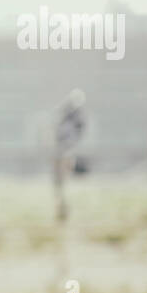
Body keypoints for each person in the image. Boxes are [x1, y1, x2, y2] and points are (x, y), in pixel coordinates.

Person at [53, 88, 86, 222]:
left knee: (63, 183)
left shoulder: (75, 120)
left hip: (66, 152)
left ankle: (65, 210)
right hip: (64, 152)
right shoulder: (69, 120)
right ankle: (63, 209)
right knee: (61, 183)